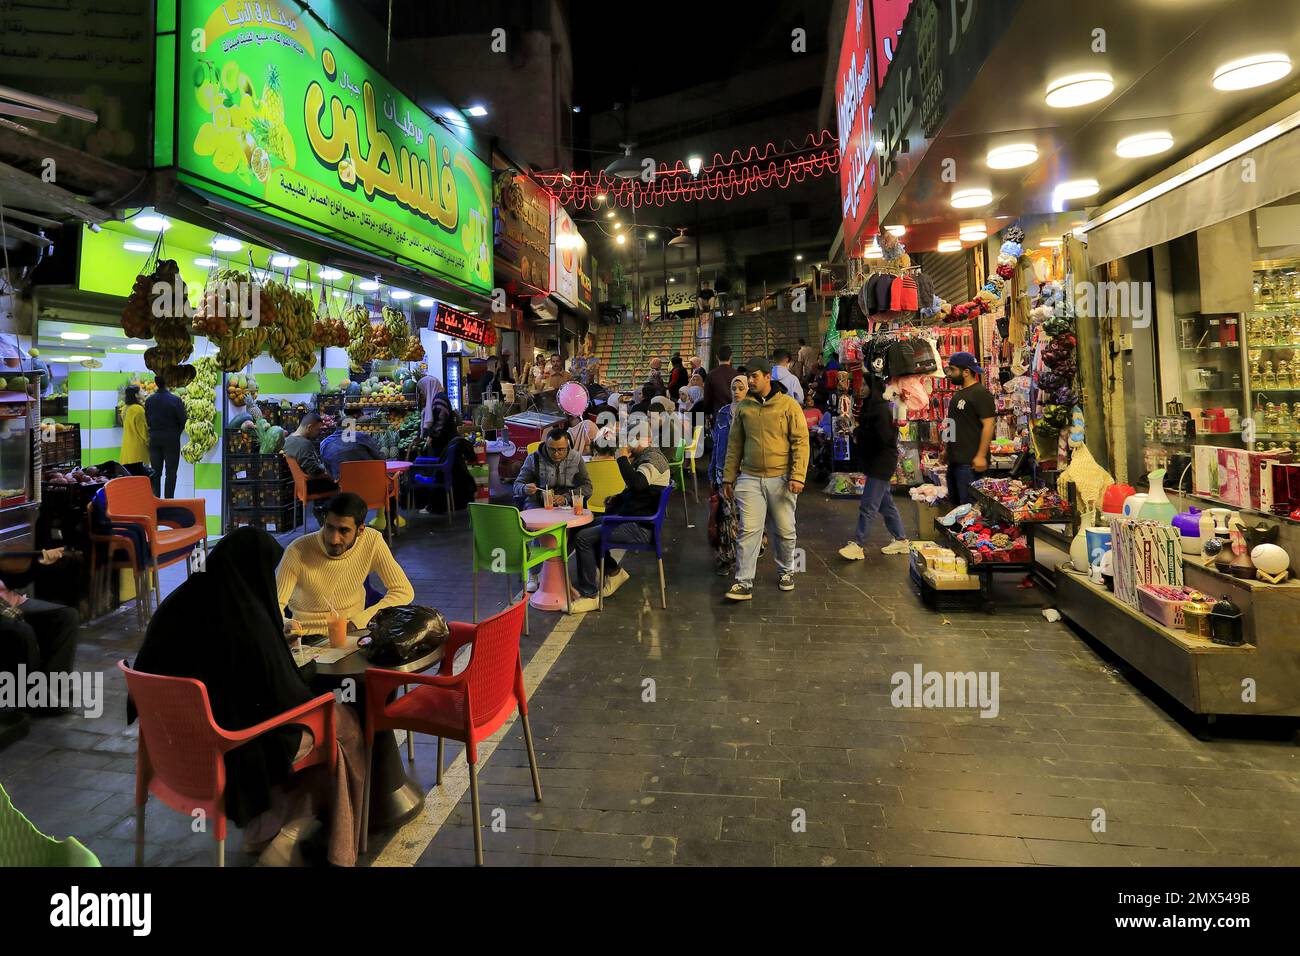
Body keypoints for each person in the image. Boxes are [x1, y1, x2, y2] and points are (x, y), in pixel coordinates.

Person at [129, 527, 364, 866]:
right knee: (340, 723)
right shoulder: (247, 623)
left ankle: (264, 828)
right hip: (228, 754)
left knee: (285, 724)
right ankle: (329, 844)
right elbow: (286, 697)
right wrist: (307, 671)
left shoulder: (174, 605)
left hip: (169, 753)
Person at [721, 358, 809, 600]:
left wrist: (798, 475)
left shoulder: (789, 406)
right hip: (749, 478)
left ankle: (786, 571)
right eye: (748, 376)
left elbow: (801, 442)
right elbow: (734, 444)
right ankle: (743, 581)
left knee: (785, 530)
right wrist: (728, 478)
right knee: (748, 531)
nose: (750, 380)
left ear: (768, 376)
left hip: (782, 479)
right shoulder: (744, 408)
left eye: (755, 375)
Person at [276, 493, 414, 633]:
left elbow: (403, 591)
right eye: (329, 527)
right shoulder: (297, 550)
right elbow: (273, 604)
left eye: (344, 531)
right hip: (306, 637)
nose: (334, 539)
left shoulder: (372, 541)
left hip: (353, 632)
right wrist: (287, 624)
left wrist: (359, 621)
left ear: (360, 530)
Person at [566, 431, 671, 613]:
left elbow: (637, 483)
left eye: (635, 438)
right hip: (630, 519)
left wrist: (622, 458)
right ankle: (613, 572)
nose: (629, 443)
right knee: (580, 528)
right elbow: (639, 492)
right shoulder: (645, 458)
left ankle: (590, 595)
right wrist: (617, 498)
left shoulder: (654, 460)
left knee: (583, 538)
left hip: (639, 526)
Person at [839, 375, 910, 560]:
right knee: (886, 504)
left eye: (864, 384)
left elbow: (882, 438)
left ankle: (858, 544)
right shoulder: (872, 407)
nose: (860, 387)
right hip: (876, 461)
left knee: (868, 505)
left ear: (873, 387)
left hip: (881, 461)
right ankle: (901, 540)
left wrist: (858, 432)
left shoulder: (880, 410)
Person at [0, 548, 77, 711]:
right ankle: (33, 695)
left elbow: (10, 580)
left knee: (66, 616)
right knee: (21, 630)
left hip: (11, 601)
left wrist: (39, 564)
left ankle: (53, 689)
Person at [943, 352, 996, 506]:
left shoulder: (980, 394)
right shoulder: (957, 396)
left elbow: (989, 425)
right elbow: (951, 424)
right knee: (956, 507)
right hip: (955, 462)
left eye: (952, 370)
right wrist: (946, 450)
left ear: (966, 372)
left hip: (970, 463)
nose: (949, 374)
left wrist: (980, 455)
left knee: (970, 510)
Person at [709, 375, 748, 575]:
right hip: (723, 472)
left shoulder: (753, 412)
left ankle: (745, 555)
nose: (737, 391)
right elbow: (717, 444)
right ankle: (726, 558)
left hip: (747, 472)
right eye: (734, 388)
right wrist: (712, 471)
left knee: (743, 517)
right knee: (725, 517)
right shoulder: (723, 413)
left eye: (741, 388)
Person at [513, 428, 593, 510]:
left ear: (567, 445)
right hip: (538, 503)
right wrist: (524, 488)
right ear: (546, 445)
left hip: (568, 503)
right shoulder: (533, 458)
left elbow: (587, 487)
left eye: (561, 449)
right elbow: (517, 486)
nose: (556, 454)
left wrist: (567, 497)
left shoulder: (576, 458)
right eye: (551, 449)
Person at [283, 413, 340, 525]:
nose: (318, 433)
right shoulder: (304, 444)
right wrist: (328, 470)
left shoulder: (288, 440)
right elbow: (314, 470)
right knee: (341, 482)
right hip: (311, 484)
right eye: (317, 430)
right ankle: (327, 514)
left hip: (300, 484)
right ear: (309, 427)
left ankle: (322, 510)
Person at [144, 370, 186, 498]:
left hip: (155, 438)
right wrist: (176, 432)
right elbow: (183, 419)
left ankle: (156, 500)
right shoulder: (175, 400)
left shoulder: (149, 400)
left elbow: (147, 419)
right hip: (171, 438)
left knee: (155, 472)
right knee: (171, 472)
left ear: (156, 383)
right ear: (167, 383)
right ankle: (169, 501)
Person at [417, 376, 458, 456]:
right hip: (442, 444)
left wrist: (432, 436)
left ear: (428, 386)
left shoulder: (439, 399)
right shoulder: (436, 398)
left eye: (422, 389)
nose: (422, 392)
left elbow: (441, 422)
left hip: (444, 444)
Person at [120, 385, 150, 478]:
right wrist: (150, 442)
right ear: (136, 395)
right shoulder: (138, 409)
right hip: (138, 452)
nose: (143, 393)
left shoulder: (125, 408)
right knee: (141, 481)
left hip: (126, 451)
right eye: (141, 391)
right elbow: (143, 431)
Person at [703, 344, 737, 415]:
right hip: (735, 414)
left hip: (718, 414)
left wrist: (707, 414)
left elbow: (707, 398)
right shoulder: (737, 374)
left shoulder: (711, 375)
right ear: (731, 357)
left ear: (716, 357)